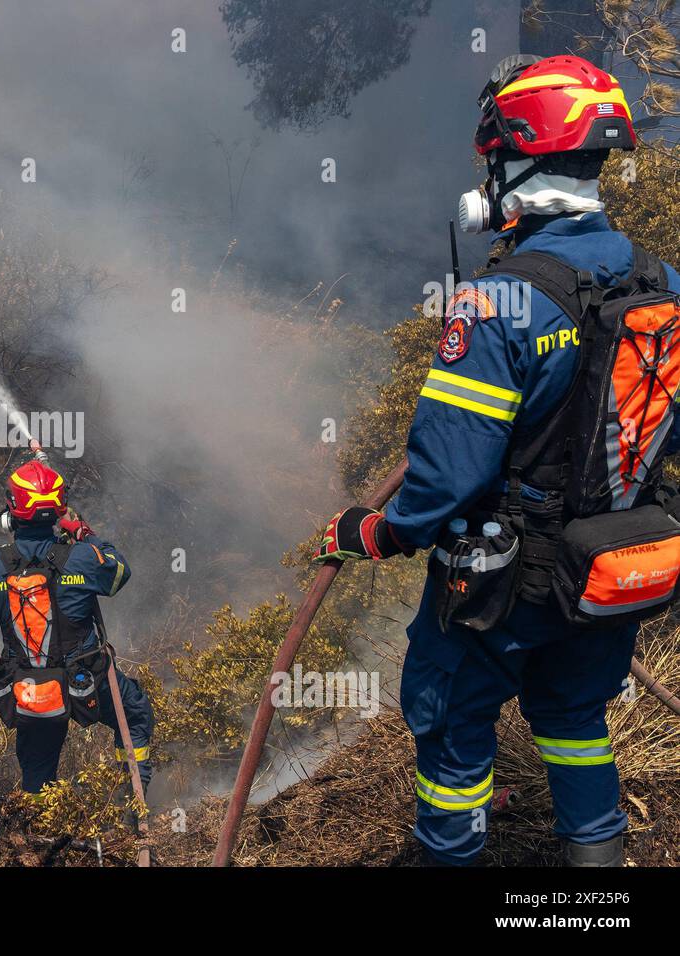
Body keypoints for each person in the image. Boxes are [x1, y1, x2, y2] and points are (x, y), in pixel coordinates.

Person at [315, 54, 680, 866]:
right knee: (577, 717)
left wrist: (376, 532)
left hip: (499, 587)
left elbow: (448, 478)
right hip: (612, 571)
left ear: (517, 159)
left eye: (494, 159)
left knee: (451, 730)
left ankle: (449, 854)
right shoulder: (665, 284)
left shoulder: (494, 304)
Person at [0, 457, 153, 795]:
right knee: (134, 715)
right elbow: (120, 572)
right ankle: (130, 805)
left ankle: (39, 832)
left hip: (30, 691)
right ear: (59, 509)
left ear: (12, 511)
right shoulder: (81, 558)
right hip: (88, 682)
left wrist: (3, 676)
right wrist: (84, 533)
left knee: (37, 773)